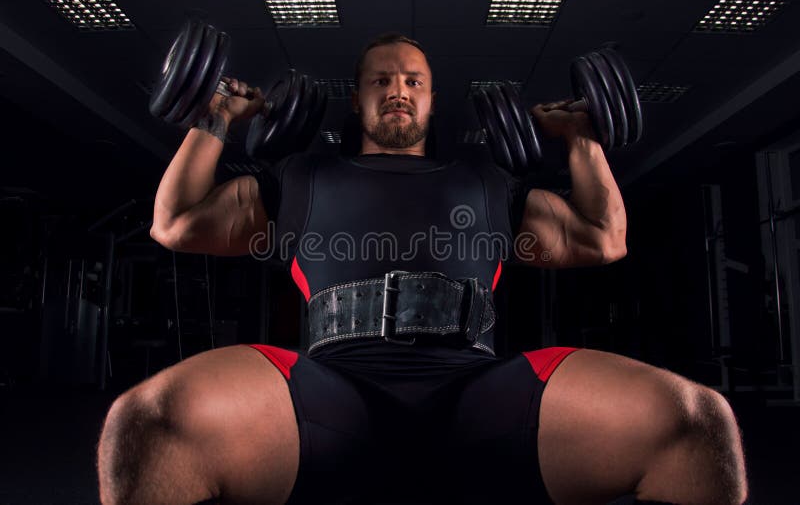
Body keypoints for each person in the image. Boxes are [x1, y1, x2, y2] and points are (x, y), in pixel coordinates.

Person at [97, 33, 748, 505]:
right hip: (328, 392)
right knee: (149, 423)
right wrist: (213, 120)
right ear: (356, 99)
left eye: (413, 80)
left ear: (432, 100)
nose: (397, 90)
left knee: (695, 424)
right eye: (381, 80)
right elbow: (175, 223)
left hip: (478, 395)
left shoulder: (490, 181)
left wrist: (581, 137)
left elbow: (604, 239)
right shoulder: (301, 176)